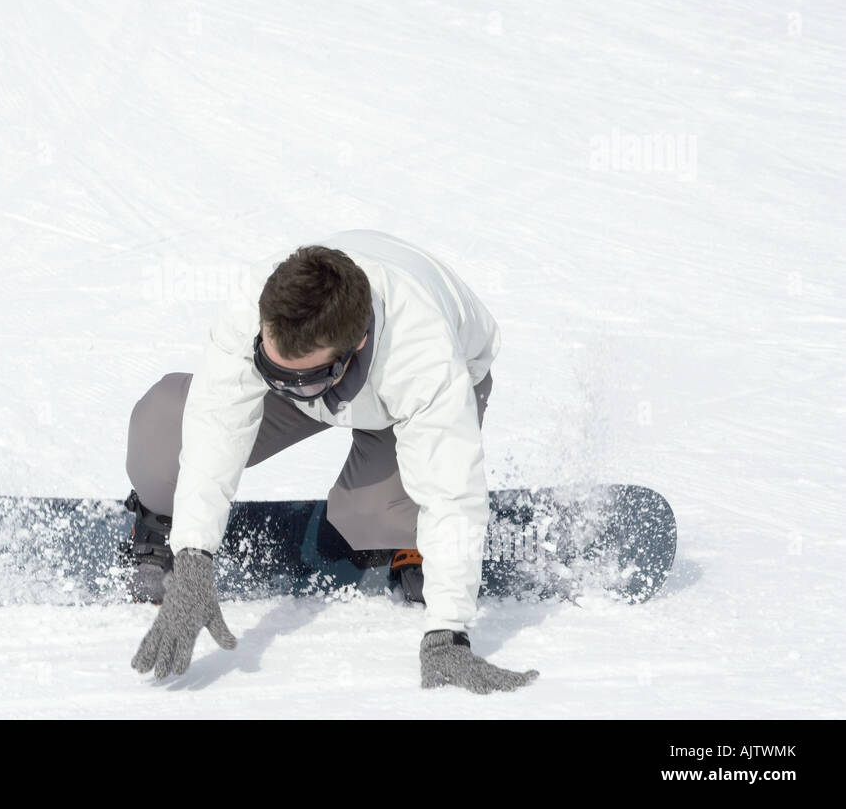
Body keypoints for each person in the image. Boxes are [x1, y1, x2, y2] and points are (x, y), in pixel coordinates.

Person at [124, 229, 539, 694]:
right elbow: (215, 426)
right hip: (317, 383)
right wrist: (194, 554)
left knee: (370, 516)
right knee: (164, 435)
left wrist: (447, 632)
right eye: (268, 366)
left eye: (295, 377)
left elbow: (451, 491)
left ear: (353, 350)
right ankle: (164, 517)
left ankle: (415, 540)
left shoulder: (422, 354)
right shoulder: (260, 305)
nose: (278, 384)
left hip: (401, 398)